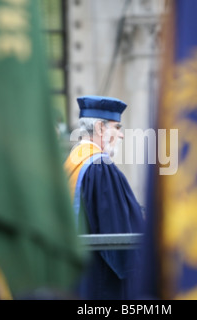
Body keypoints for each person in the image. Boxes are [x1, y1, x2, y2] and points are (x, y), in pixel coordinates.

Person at [64, 95, 144, 300]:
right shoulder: (100, 168)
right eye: (117, 128)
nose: (122, 135)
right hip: (101, 285)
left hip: (79, 279)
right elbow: (119, 227)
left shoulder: (72, 163)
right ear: (100, 128)